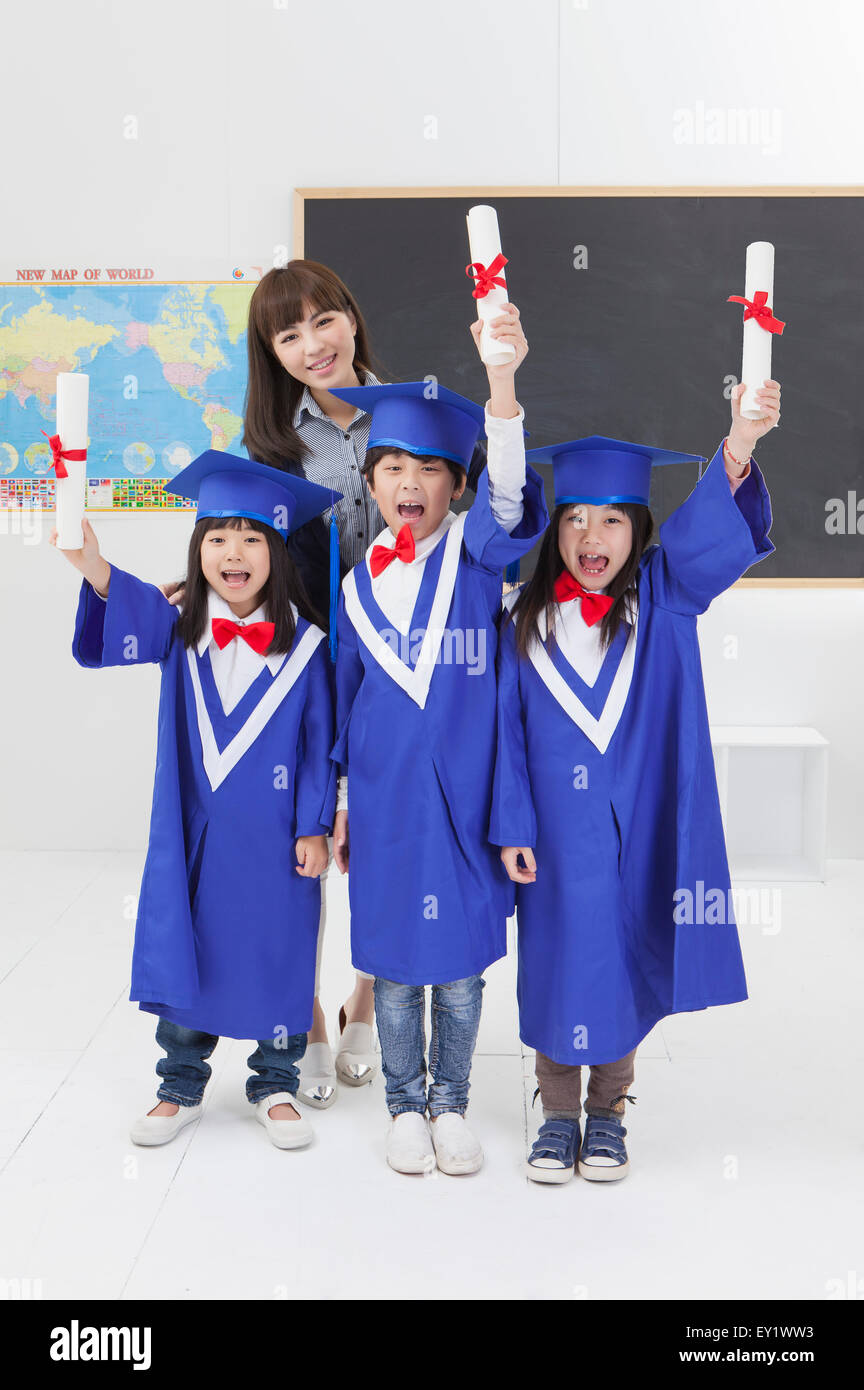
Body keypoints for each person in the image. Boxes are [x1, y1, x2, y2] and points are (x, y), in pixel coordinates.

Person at [490, 380, 781, 1184]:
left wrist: (741, 445)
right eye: (575, 517)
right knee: (552, 960)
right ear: (554, 528)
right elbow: (506, 739)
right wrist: (511, 824)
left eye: (614, 519)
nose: (592, 534)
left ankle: (609, 1110)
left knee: (623, 956)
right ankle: (554, 1112)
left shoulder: (665, 598)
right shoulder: (520, 620)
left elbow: (702, 538)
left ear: (638, 532)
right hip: (549, 838)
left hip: (636, 833)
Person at [54, 452, 339, 1150]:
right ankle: (180, 1083)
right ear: (197, 549)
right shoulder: (178, 633)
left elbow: (317, 746)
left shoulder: (308, 650)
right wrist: (90, 561)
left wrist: (313, 827)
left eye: (250, 539)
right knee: (191, 953)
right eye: (216, 537)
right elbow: (122, 613)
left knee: (278, 952)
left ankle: (275, 1083)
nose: (232, 553)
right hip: (196, 838)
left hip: (276, 843)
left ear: (275, 550)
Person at [330, 303, 549, 1176]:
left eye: (430, 467)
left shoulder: (477, 559)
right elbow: (343, 711)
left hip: (466, 805)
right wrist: (339, 804)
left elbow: (510, 497)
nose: (411, 480)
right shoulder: (353, 590)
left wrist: (501, 380)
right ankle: (402, 1108)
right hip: (384, 808)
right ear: (372, 483)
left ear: (456, 487)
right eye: (393, 466)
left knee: (457, 971)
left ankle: (451, 1104)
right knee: (390, 969)